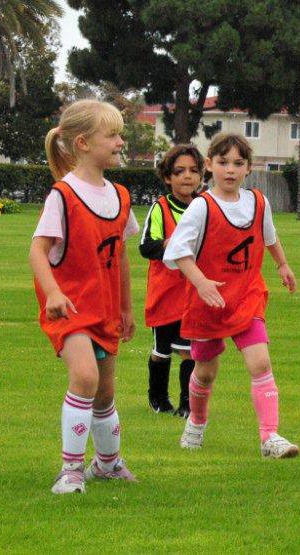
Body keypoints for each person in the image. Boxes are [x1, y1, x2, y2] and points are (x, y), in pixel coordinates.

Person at [162, 132, 300, 459]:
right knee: (205, 372)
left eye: (238, 163)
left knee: (260, 362)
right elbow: (177, 251)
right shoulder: (201, 207)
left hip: (247, 297)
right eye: (223, 162)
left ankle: (269, 437)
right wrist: (201, 283)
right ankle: (197, 421)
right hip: (208, 304)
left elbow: (269, 236)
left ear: (249, 168)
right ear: (209, 165)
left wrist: (282, 265)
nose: (230, 170)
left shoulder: (258, 202)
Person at [29, 99, 140, 494]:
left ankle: (107, 464)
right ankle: (70, 470)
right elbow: (37, 250)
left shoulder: (120, 196)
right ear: (83, 143)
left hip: (105, 310)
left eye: (120, 135)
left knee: (105, 392)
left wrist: (126, 308)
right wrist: (53, 293)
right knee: (85, 377)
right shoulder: (63, 195)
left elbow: (120, 256)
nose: (120, 142)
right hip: (70, 309)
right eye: (112, 135)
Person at [139, 144, 206, 417]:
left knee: (189, 351)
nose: (187, 176)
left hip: (193, 293)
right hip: (165, 293)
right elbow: (146, 246)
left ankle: (187, 403)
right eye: (179, 171)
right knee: (162, 351)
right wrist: (171, 244)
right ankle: (157, 397)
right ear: (168, 177)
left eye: (193, 170)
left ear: (201, 175)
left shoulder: (206, 207)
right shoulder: (160, 208)